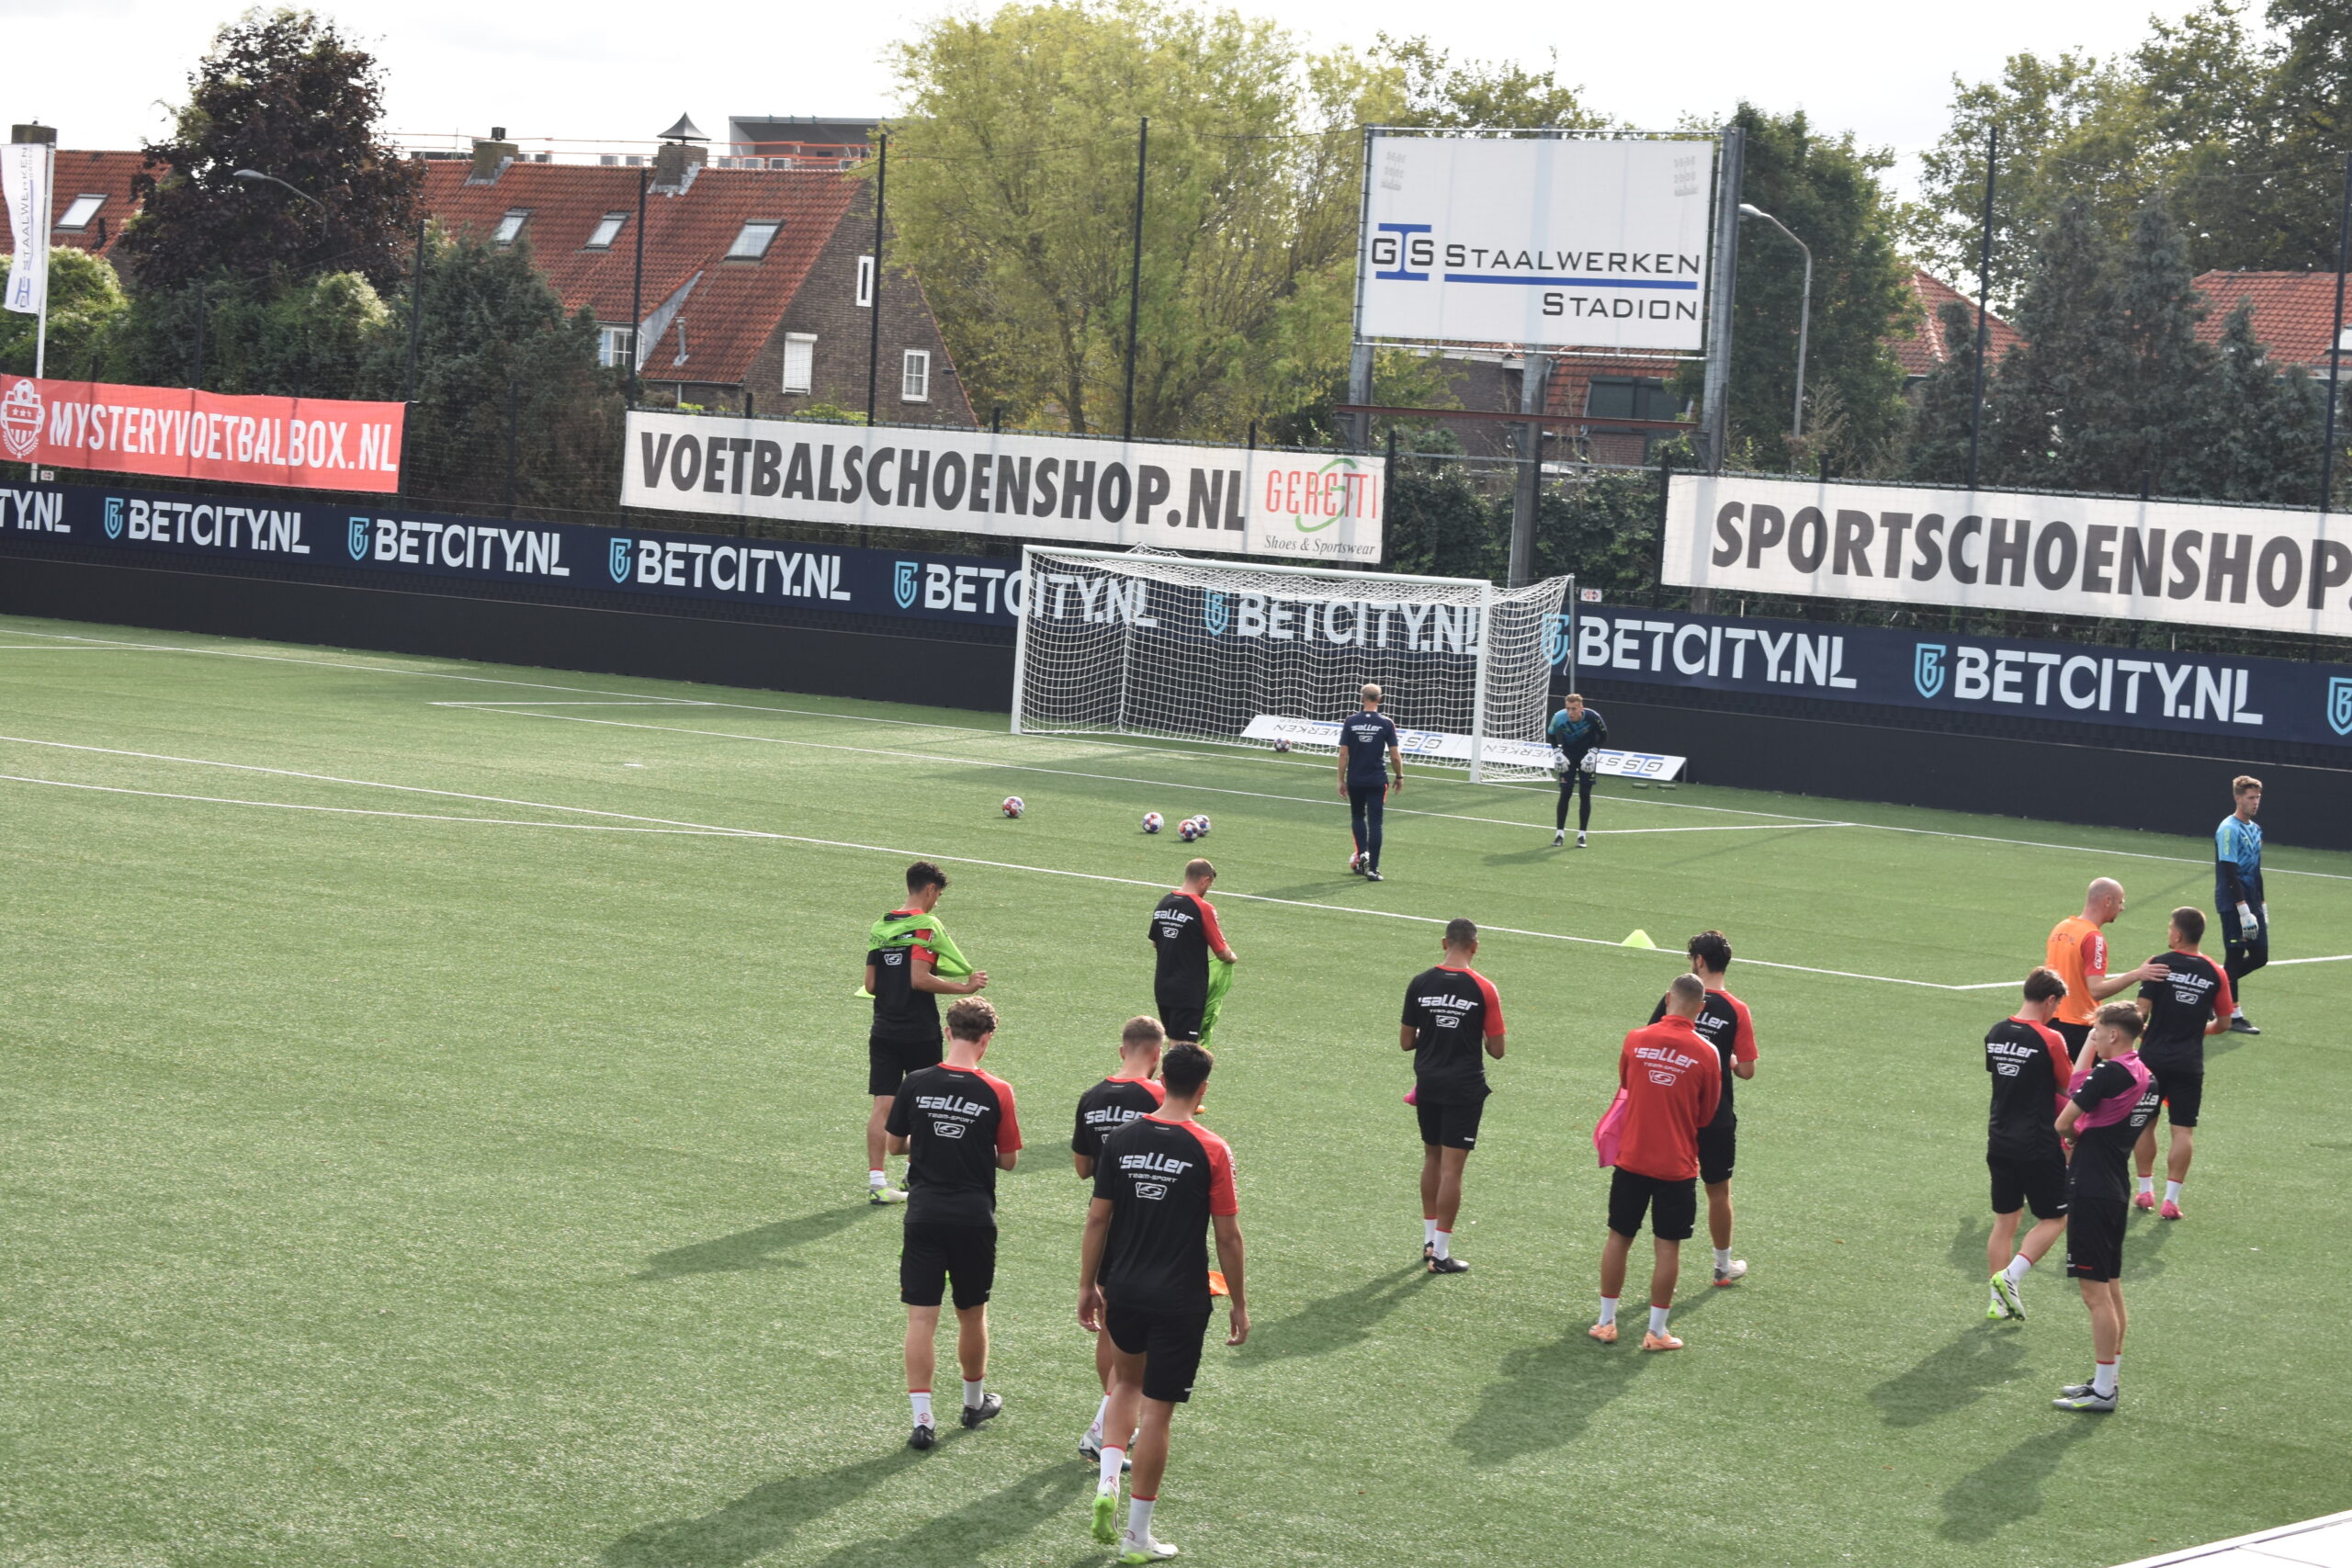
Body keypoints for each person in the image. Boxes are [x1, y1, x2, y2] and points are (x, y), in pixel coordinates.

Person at [1079, 1042, 1247, 1562]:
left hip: (1122, 1289)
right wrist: (1239, 1303)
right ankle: (1136, 1537)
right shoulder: (1212, 1148)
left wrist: (1087, 1285)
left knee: (1125, 1382)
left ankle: (1108, 1480)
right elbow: (1228, 1236)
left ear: (1162, 1076)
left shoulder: (1123, 1138)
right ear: (1202, 1091)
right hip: (1179, 1298)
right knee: (1158, 1414)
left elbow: (1097, 1218)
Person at [884, 997, 1021, 1449]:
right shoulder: (997, 1090)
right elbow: (1009, 1160)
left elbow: (895, 1147)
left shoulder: (917, 1083)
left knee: (921, 1320)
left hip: (924, 1213)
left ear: (948, 1033)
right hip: (973, 1217)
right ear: (987, 1040)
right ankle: (972, 1403)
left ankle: (923, 1421)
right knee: (972, 1313)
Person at [1591, 973, 1722, 1351]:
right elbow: (1706, 1113)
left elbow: (1627, 1085)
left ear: (1668, 999)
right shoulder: (1706, 1053)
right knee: (1668, 1248)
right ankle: (1656, 1332)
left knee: (1619, 1238)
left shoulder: (1636, 1039)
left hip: (1631, 1159)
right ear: (1700, 1008)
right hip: (1676, 1166)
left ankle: (1605, 1323)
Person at [2052, 1002, 2161, 1413]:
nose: (2092, 1037)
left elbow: (2064, 1119)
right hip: (2114, 1184)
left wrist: (2073, 1135)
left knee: (2094, 1294)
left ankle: (2104, 1392)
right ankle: (2105, 1381)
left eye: (2097, 1030)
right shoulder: (2144, 1076)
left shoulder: (2110, 1073)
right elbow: (2082, 1083)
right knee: (2111, 1289)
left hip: (2092, 1188)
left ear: (2114, 1034)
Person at [1072, 1016, 1169, 1466]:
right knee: (1140, 1343)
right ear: (1157, 1055)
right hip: (1147, 1227)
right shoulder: (1158, 1097)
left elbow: (1082, 1168)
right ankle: (1105, 1426)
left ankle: (1112, 1421)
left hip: (1105, 1223)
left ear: (1121, 1050)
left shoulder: (1091, 1097)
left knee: (1110, 1328)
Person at [865, 862, 988, 1203]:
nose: (937, 903)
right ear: (931, 889)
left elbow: (871, 984)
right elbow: (918, 978)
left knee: (882, 1106)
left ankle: (877, 1184)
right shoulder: (926, 926)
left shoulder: (882, 925)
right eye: (939, 895)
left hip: (883, 1027)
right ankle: (911, 1175)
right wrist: (965, 988)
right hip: (918, 1031)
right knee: (923, 1105)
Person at [1645, 931, 1757, 1285]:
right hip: (1715, 1115)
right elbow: (1748, 1070)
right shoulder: (1737, 1010)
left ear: (1699, 962)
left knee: (1660, 1186)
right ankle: (1722, 1267)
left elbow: (1650, 1042)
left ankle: (1656, 1260)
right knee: (1718, 1190)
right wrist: (1730, 1060)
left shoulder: (1677, 998)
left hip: (1672, 1111)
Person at [1401, 919, 1507, 1274]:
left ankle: (1429, 1240)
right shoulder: (1484, 989)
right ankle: (1442, 1255)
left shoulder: (1420, 983)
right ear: (1475, 946)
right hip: (1463, 1087)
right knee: (1453, 1170)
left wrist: (1431, 1031)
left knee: (1431, 1158)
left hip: (1428, 1082)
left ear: (1444, 942)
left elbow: (1405, 1042)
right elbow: (1497, 1050)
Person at [1982, 967, 2076, 1322]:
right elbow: (2067, 1088)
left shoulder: (1996, 1032)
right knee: (2055, 1218)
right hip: (2037, 1142)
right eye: (2057, 1006)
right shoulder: (2051, 1039)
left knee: (2005, 1221)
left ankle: (1996, 1300)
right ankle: (2011, 1277)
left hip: (1999, 1138)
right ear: (2050, 1000)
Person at [2130, 907, 2233, 1219]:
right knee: (2183, 1131)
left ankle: (2146, 1191)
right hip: (2189, 1061)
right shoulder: (2216, 972)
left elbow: (2139, 1014)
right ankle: (2171, 1200)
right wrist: (2198, 1031)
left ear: (2177, 934)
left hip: (2152, 1059)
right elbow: (2225, 1023)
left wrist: (2146, 1031)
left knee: (2145, 1123)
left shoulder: (2159, 965)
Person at [2042, 878, 2165, 1057]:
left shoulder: (2061, 927)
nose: (2122, 908)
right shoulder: (2093, 937)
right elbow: (2096, 990)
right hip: (2078, 1028)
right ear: (2107, 901)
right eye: (2120, 902)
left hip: (2051, 1021)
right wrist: (2137, 974)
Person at [1147, 860, 1237, 1045]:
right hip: (1188, 990)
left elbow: (1155, 942)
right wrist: (1232, 957)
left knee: (1174, 1043)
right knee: (1182, 1050)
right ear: (1204, 881)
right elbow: (1221, 951)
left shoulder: (1164, 902)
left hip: (1163, 986)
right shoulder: (1204, 908)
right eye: (1209, 885)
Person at [2213, 775, 2267, 1034]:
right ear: (2237, 798)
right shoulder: (2228, 829)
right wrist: (2242, 909)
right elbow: (2228, 871)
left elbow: (2256, 870)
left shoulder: (2256, 830)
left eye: (2258, 798)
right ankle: (2233, 1014)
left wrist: (2262, 906)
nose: (2255, 802)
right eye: (2250, 797)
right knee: (2234, 957)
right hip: (2233, 903)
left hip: (2252, 903)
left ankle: (2214, 990)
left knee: (2260, 956)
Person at [1336, 682, 1402, 883]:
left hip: (1356, 779)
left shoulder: (1350, 721)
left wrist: (1340, 780)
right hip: (1377, 780)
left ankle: (1362, 854)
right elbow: (1395, 755)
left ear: (1362, 698)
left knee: (1357, 816)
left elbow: (1343, 753)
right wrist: (1399, 776)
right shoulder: (1386, 723)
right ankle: (1373, 869)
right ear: (1380, 699)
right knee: (1376, 823)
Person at [1544, 692, 1609, 849]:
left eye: (1573, 709)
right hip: (1568, 756)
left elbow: (1604, 735)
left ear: (1581, 708)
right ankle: (1559, 834)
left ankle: (1582, 835)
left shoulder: (1593, 717)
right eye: (1568, 708)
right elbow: (1551, 734)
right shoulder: (1559, 717)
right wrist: (1557, 751)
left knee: (1585, 794)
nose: (1570, 712)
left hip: (1587, 757)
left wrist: (1593, 752)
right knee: (1565, 793)